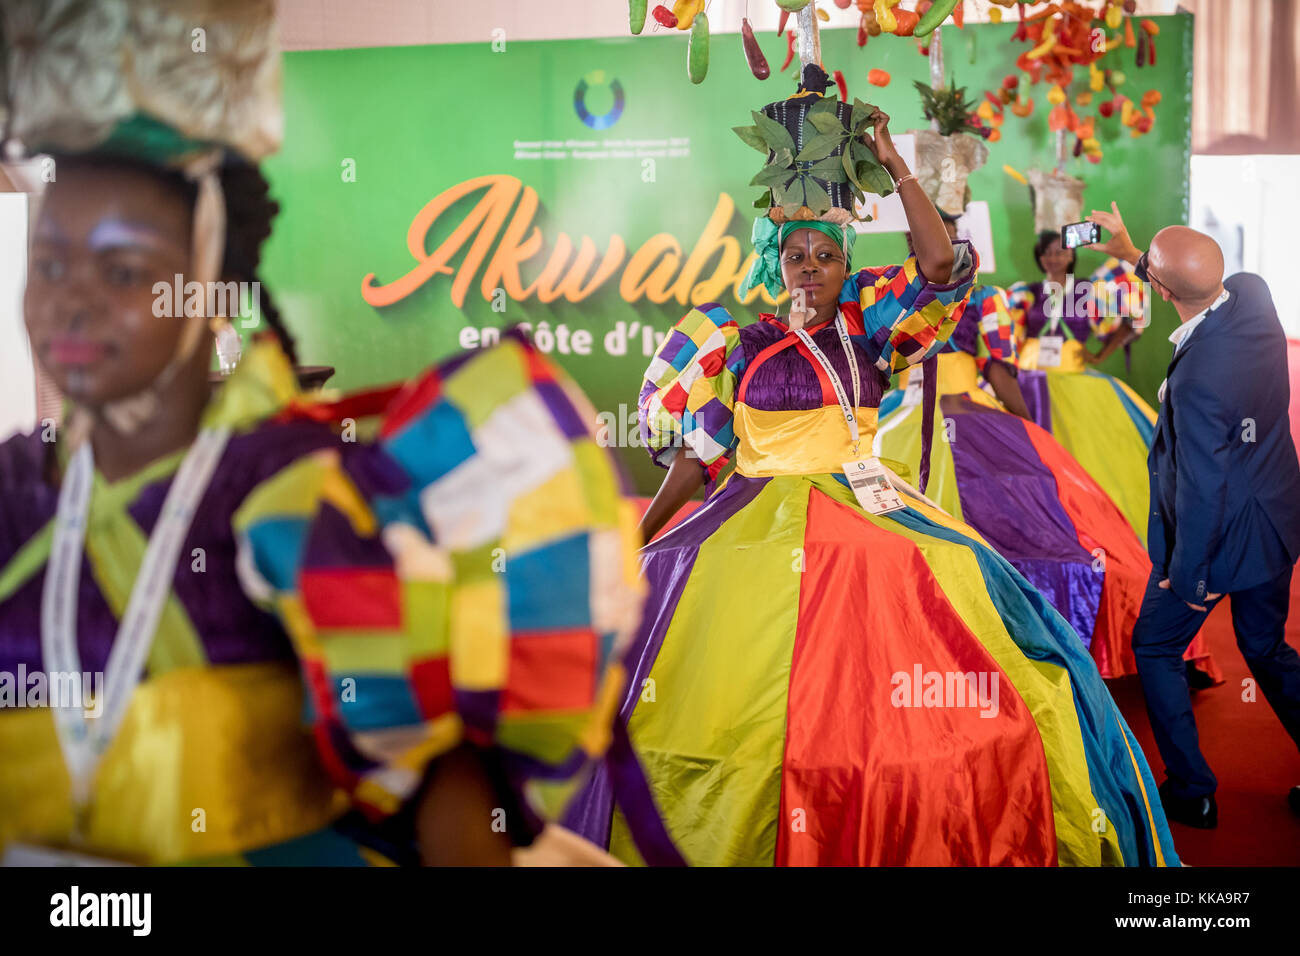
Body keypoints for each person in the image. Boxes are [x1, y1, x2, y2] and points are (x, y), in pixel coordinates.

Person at [0, 0, 663, 866]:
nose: (72, 300)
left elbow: (455, 819)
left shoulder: (305, 498)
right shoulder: (15, 497)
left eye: (123, 269)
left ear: (207, 276)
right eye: (49, 264)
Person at [564, 70, 1179, 866]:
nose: (811, 266)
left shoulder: (871, 327)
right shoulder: (726, 339)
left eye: (826, 254)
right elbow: (698, 457)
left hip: (865, 519)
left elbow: (942, 268)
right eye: (797, 254)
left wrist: (893, 163)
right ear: (775, 261)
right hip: (746, 530)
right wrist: (641, 543)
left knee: (896, 691)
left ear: (845, 263)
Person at [876, 213, 1216, 681]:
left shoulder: (891, 294)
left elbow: (996, 366)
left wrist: (1031, 423)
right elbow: (996, 368)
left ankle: (942, 627)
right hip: (939, 409)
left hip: (931, 409)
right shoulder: (986, 296)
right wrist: (1027, 429)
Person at [1091, 206, 1300, 827]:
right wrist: (1132, 250)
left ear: (1158, 290)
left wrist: (1187, 578)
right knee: (1264, 646)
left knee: (1155, 646)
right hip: (1277, 519)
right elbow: (1190, 281)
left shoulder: (1197, 380)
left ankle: (1191, 790)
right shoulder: (1254, 295)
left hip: (1219, 535)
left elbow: (1204, 492)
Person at [1006, 222, 1157, 545]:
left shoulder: (1090, 290)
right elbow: (1008, 336)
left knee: (1085, 458)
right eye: (1046, 253)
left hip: (1075, 380)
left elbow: (1133, 313)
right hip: (1029, 383)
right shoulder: (1026, 292)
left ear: (1071, 256)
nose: (1052, 258)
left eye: (1059, 251)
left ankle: (1089, 521)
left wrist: (1102, 354)